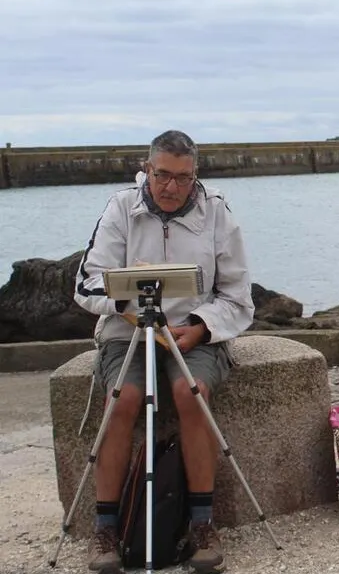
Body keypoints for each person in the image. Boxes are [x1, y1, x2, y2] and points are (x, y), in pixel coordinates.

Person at [75, 130, 254, 573]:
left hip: (192, 332)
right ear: (147, 168)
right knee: (123, 399)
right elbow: (87, 282)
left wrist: (200, 327)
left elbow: (237, 295)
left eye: (182, 177)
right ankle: (106, 531)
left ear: (196, 176)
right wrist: (124, 301)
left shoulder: (217, 211)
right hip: (127, 330)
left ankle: (201, 524)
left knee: (191, 392)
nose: (171, 187)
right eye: (162, 176)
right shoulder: (121, 207)